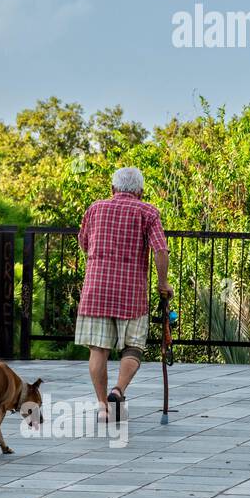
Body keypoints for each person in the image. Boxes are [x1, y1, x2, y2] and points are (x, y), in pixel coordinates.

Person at [75, 167, 172, 425]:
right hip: (131, 293)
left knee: (98, 349)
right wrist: (163, 283)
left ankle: (103, 407)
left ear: (113, 189)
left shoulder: (95, 209)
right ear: (140, 192)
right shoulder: (148, 212)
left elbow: (84, 243)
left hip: (95, 291)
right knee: (134, 347)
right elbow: (160, 250)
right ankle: (118, 390)